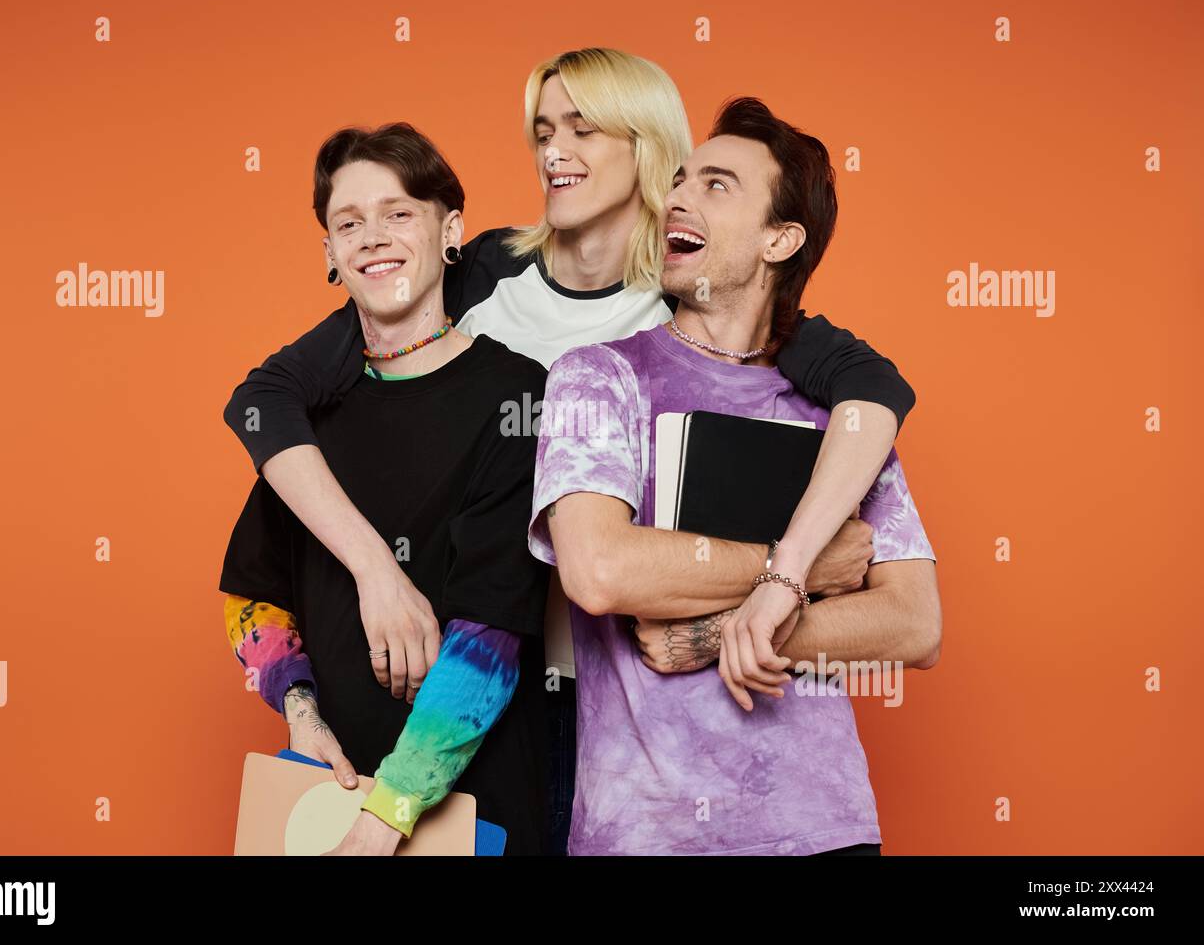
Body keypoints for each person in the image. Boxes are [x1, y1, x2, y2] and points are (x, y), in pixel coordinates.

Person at [222, 49, 919, 855]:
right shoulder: (474, 273)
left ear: (650, 149)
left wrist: (789, 570)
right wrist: (375, 571)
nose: (553, 151)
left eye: (582, 128)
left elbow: (873, 390)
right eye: (544, 130)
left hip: (628, 704)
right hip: (506, 697)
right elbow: (263, 400)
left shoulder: (694, 298)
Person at [528, 97, 942, 855]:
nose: (678, 196)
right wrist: (813, 566)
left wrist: (717, 632)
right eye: (680, 180)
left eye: (716, 185)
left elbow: (915, 623)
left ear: (781, 239)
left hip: (826, 829)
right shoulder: (597, 379)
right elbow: (598, 571)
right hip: (645, 833)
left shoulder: (835, 415)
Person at [219, 122, 550, 855]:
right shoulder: (305, 418)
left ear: (450, 230)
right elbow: (249, 595)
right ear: (330, 254)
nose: (373, 235)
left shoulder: (520, 394)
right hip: (322, 798)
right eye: (349, 222)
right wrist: (301, 716)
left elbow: (491, 638)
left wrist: (386, 816)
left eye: (399, 213)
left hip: (470, 810)